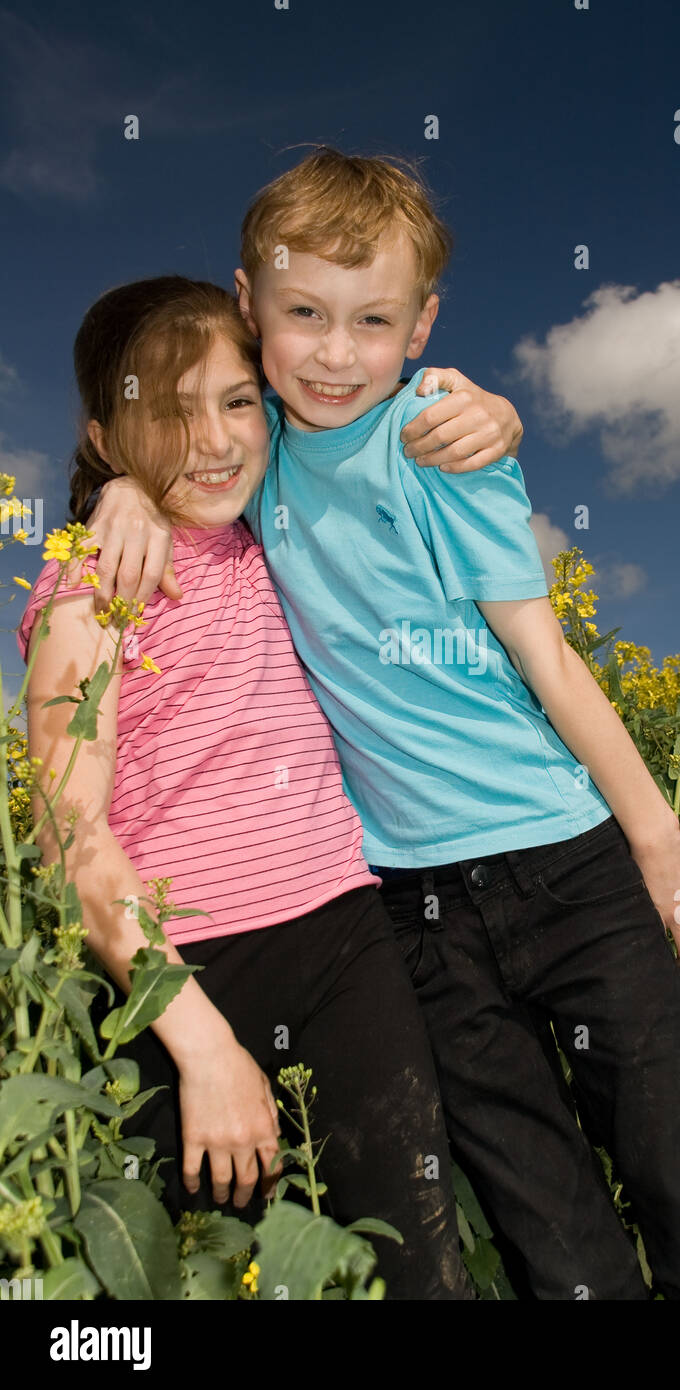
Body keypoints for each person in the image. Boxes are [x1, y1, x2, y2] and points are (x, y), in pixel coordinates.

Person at [88, 148, 680, 1301]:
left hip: (564, 866)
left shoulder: (437, 444)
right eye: (302, 313)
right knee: (544, 1224)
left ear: (420, 329)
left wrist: (657, 839)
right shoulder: (249, 452)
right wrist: (113, 488)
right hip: (411, 913)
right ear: (247, 305)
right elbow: (174, 445)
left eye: (371, 321)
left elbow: (548, 659)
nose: (332, 351)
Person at [19, 274, 522, 1299]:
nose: (211, 438)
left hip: (345, 937)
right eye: (164, 410)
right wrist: (201, 1044)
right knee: (213, 1271)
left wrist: (486, 410)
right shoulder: (94, 582)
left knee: (416, 1262)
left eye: (236, 399)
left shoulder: (282, 533)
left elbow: (359, 406)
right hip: (177, 974)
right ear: (105, 438)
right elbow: (68, 833)